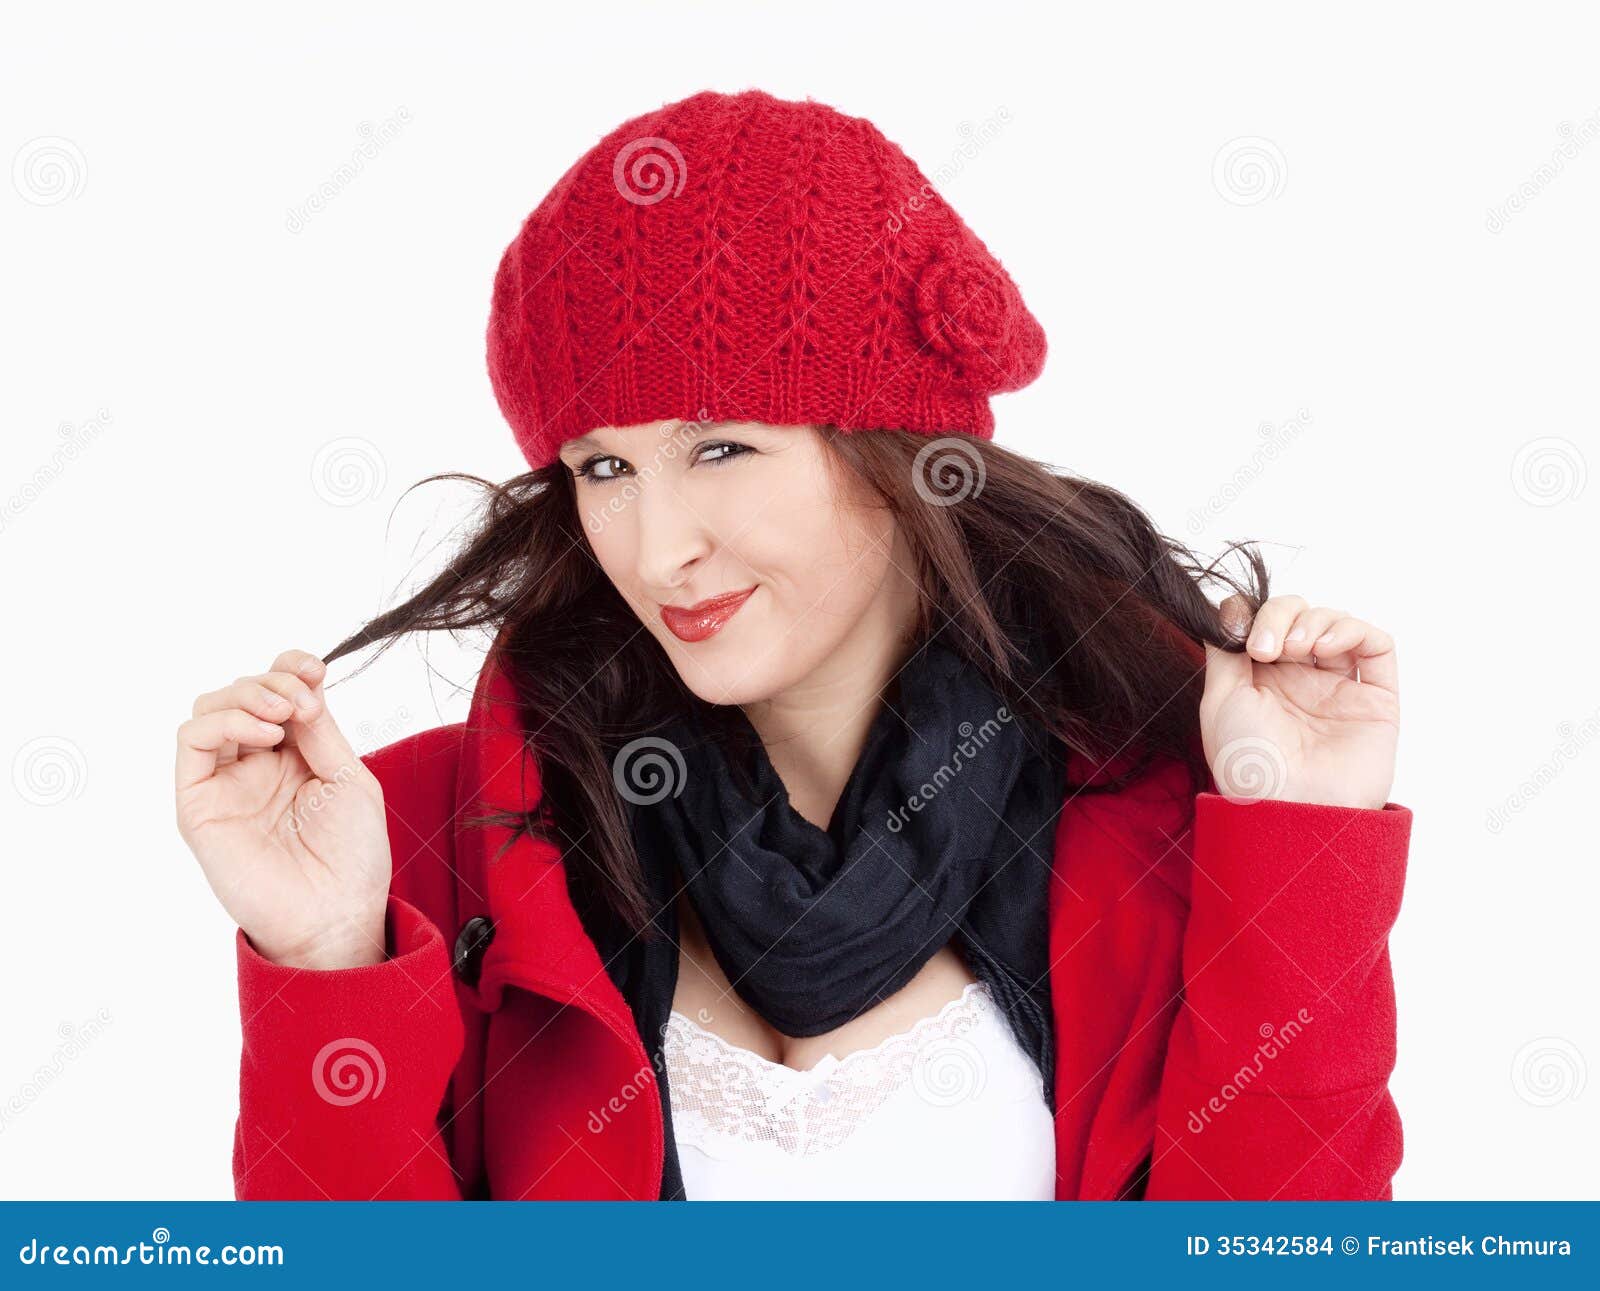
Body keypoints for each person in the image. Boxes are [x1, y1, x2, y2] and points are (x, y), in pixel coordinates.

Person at [174, 89, 1410, 1201]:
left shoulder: (1163, 810)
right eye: (603, 466)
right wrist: (329, 961)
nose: (659, 550)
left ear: (897, 448)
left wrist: (1298, 849)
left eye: (722, 447)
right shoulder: (430, 833)